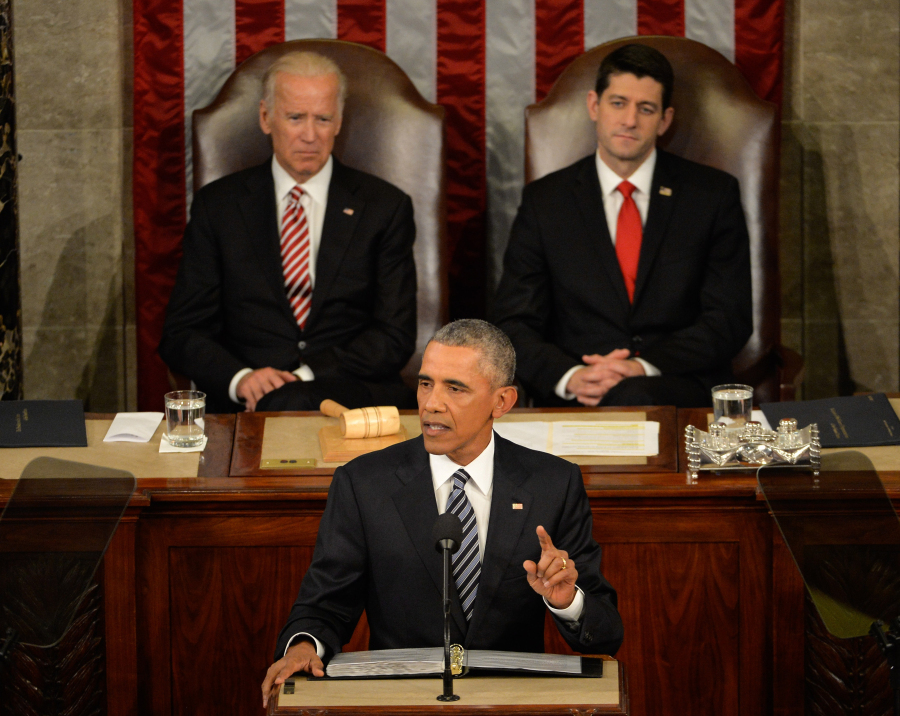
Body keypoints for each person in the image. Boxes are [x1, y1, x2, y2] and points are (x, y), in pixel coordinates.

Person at [261, 319, 623, 707]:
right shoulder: (364, 484)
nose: (431, 403)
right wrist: (302, 645)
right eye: (425, 383)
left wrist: (568, 600)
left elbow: (604, 634)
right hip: (401, 704)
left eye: (455, 388)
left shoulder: (553, 484)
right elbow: (324, 604)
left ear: (502, 402)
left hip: (512, 703)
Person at [492, 43, 752, 408]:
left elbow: (729, 319)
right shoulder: (545, 201)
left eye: (645, 109)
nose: (630, 120)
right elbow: (514, 322)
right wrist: (570, 377)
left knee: (633, 396)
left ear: (664, 120)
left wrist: (642, 367)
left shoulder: (712, 196)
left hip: (676, 389)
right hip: (578, 396)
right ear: (594, 106)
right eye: (618, 103)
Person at [160, 51, 417, 413]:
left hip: (348, 395)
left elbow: (394, 335)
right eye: (295, 118)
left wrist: (305, 377)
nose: (310, 135)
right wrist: (242, 379)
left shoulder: (384, 207)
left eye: (323, 119)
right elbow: (181, 333)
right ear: (266, 117)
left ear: (339, 121)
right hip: (245, 406)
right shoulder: (218, 207)